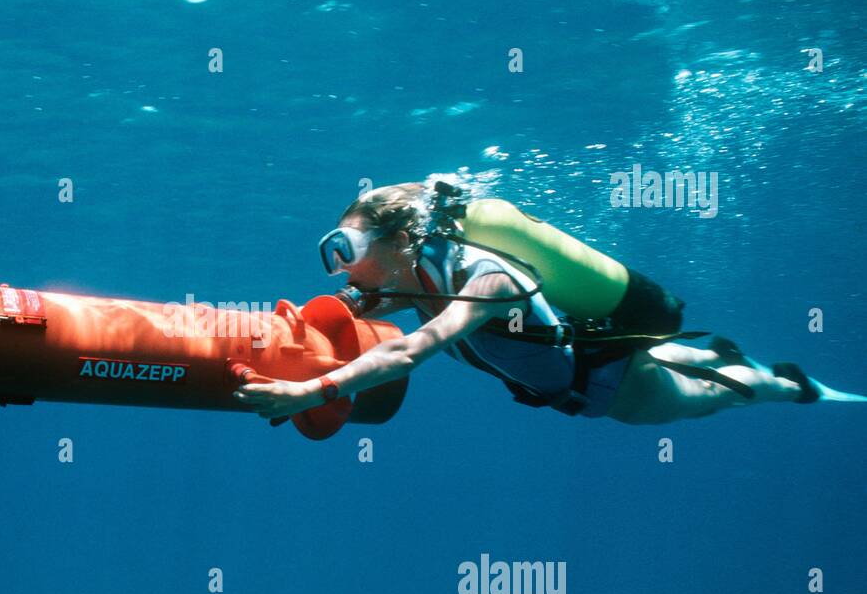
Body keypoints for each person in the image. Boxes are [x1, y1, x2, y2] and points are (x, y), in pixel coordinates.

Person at [234, 180, 861, 425]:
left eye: (344, 246)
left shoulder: (484, 279)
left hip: (605, 384)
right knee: (663, 361)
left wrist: (310, 394)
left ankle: (785, 382)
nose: (339, 266)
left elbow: (412, 350)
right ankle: (690, 351)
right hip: (584, 347)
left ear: (399, 239)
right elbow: (340, 317)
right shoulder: (410, 278)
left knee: (717, 393)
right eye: (330, 254)